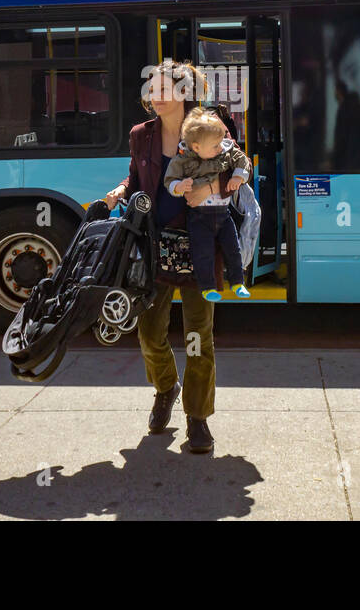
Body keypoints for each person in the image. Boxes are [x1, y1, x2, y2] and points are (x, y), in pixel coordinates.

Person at [103, 61, 234, 454]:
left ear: (184, 91)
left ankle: (198, 418)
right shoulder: (141, 135)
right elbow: (135, 177)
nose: (154, 96)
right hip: (152, 248)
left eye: (163, 89)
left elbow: (236, 175)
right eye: (151, 89)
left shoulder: (212, 128)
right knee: (148, 334)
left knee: (198, 338)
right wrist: (119, 191)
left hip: (200, 248)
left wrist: (208, 185)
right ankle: (165, 388)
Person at [163, 107, 253, 301]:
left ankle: (238, 282)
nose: (220, 148)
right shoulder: (182, 160)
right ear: (196, 147)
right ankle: (207, 287)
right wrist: (179, 186)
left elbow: (242, 161)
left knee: (233, 249)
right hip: (199, 217)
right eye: (215, 145)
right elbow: (169, 181)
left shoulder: (224, 151)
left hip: (223, 214)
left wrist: (238, 176)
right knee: (202, 253)